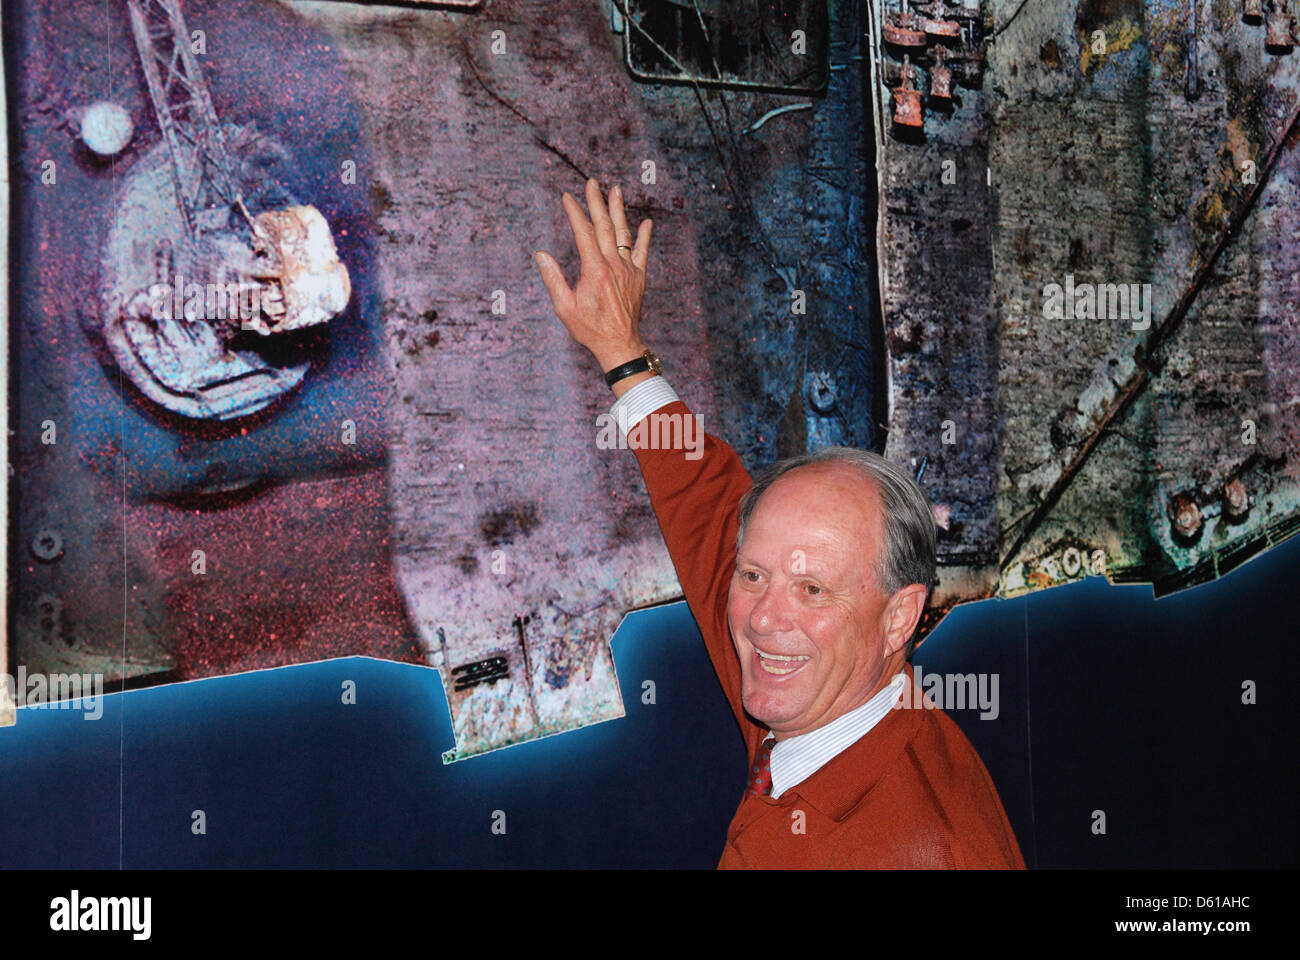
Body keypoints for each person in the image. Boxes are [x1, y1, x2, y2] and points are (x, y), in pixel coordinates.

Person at [534, 179, 1025, 869]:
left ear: (899, 618)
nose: (762, 619)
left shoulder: (908, 849)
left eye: (812, 590)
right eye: (754, 576)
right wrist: (624, 355)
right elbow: (709, 509)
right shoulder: (831, 699)